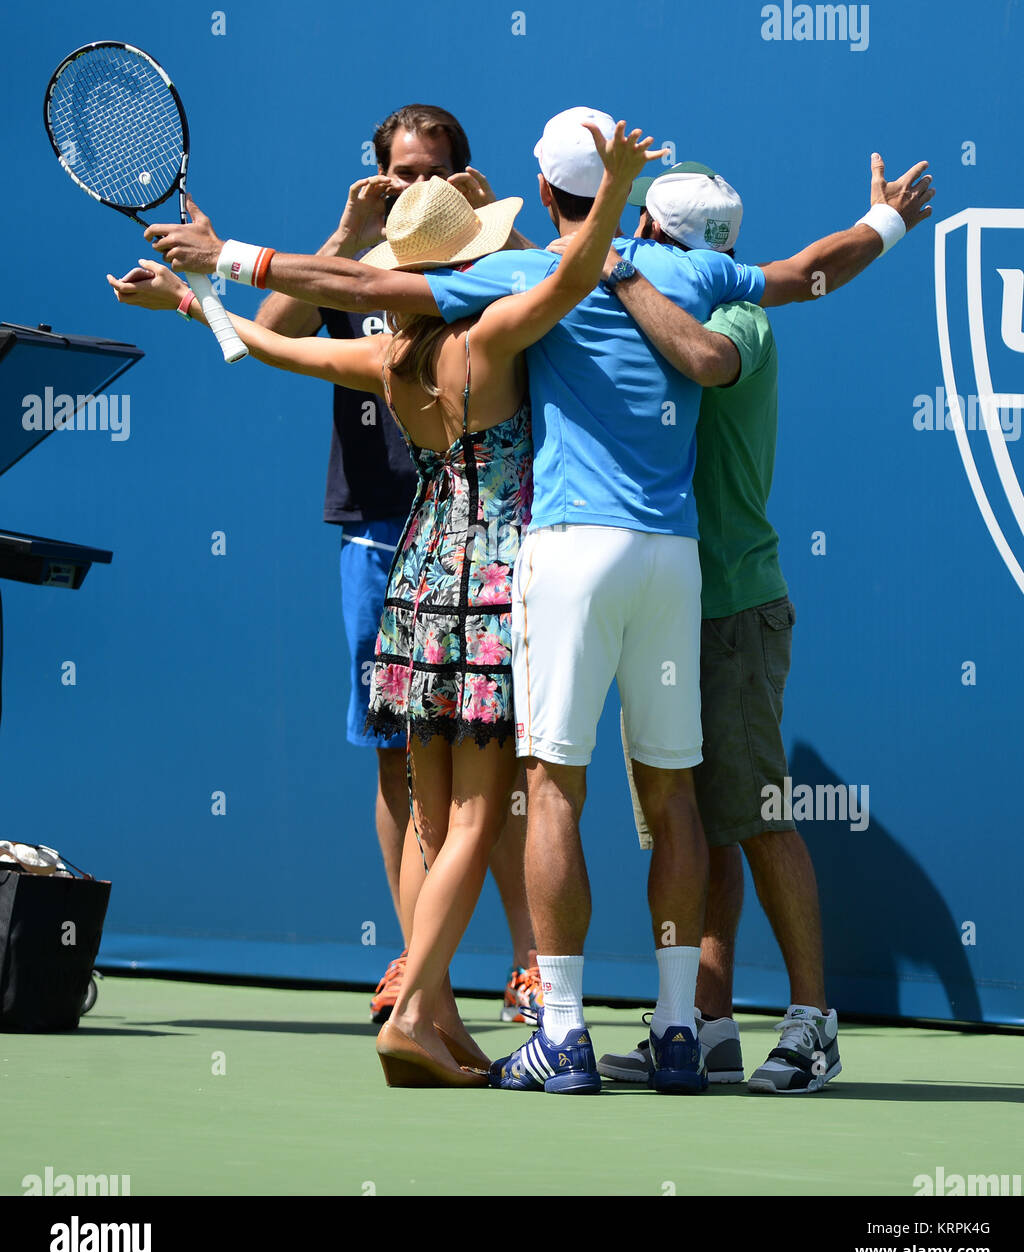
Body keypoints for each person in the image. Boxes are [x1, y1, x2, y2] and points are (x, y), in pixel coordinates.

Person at [141, 108, 933, 1095]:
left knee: (539, 793)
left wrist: (229, 264)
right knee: (673, 794)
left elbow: (353, 289)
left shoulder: (509, 290)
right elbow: (811, 268)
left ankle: (550, 1026)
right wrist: (886, 223)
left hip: (541, 563)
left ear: (543, 194)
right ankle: (679, 1024)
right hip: (670, 561)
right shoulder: (683, 274)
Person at [108, 117, 664, 1088]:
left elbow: (258, 348)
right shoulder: (493, 331)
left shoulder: (380, 360)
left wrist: (195, 300)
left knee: (424, 813)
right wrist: (613, 190)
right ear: (477, 258)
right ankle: (413, 1010)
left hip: (411, 576)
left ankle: (437, 1017)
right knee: (479, 816)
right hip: (492, 582)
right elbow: (576, 277)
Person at [253, 102, 541, 1026]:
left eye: (433, 173)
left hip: (487, 552)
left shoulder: (494, 272)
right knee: (400, 765)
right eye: (401, 173)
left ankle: (531, 960)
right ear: (378, 173)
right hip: (381, 541)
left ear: (461, 175)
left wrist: (493, 223)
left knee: (496, 758)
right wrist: (350, 232)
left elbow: (558, 288)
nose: (414, 186)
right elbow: (276, 324)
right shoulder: (351, 267)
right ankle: (422, 968)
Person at [594, 164, 846, 1091]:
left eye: (641, 237)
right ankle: (705, 1022)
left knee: (759, 813)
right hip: (665, 605)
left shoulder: (737, 317)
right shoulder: (655, 292)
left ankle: (814, 1021)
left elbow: (701, 360)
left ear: (662, 241)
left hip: (733, 604)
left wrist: (617, 278)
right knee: (691, 824)